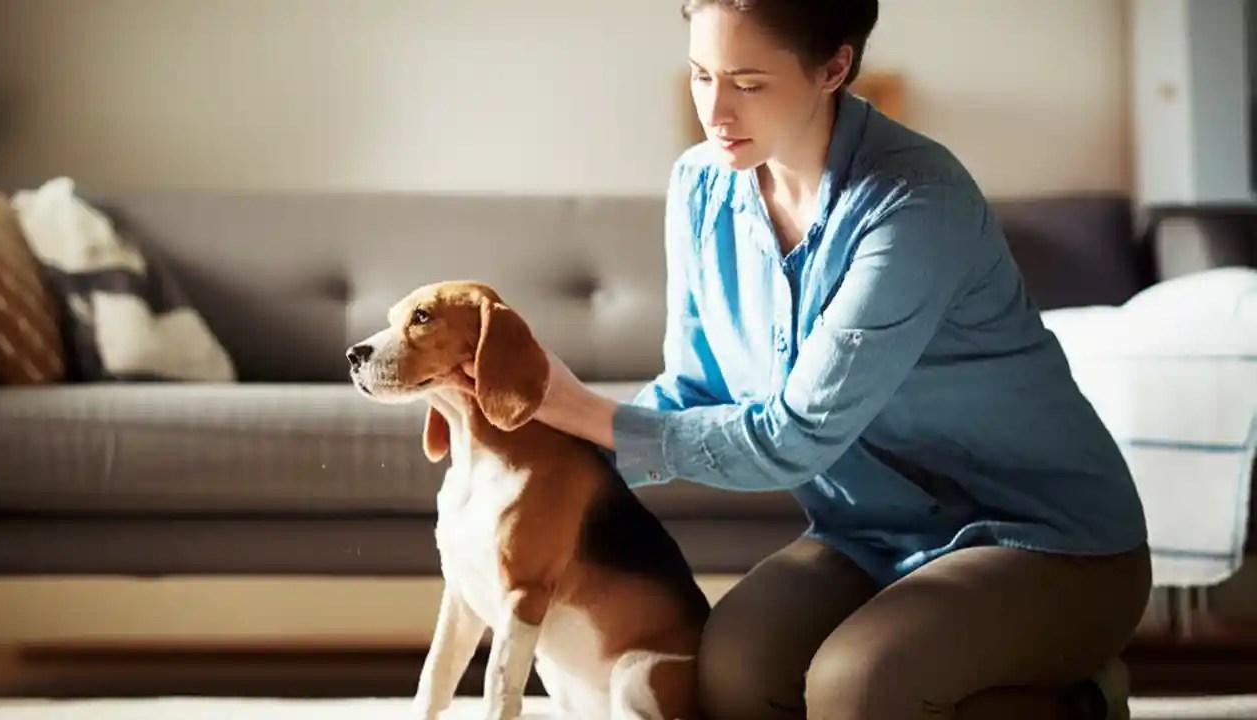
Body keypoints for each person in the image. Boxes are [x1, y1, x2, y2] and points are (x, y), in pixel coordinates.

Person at [474, 1, 1152, 718]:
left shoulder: (914, 204)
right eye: (701, 75)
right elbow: (697, 386)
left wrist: (581, 406)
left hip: (1048, 540)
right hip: (871, 537)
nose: (716, 112)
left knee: (855, 688)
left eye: (748, 83)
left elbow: (794, 437)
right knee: (732, 674)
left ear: (833, 69)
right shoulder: (701, 185)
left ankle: (1079, 703)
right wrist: (547, 449)